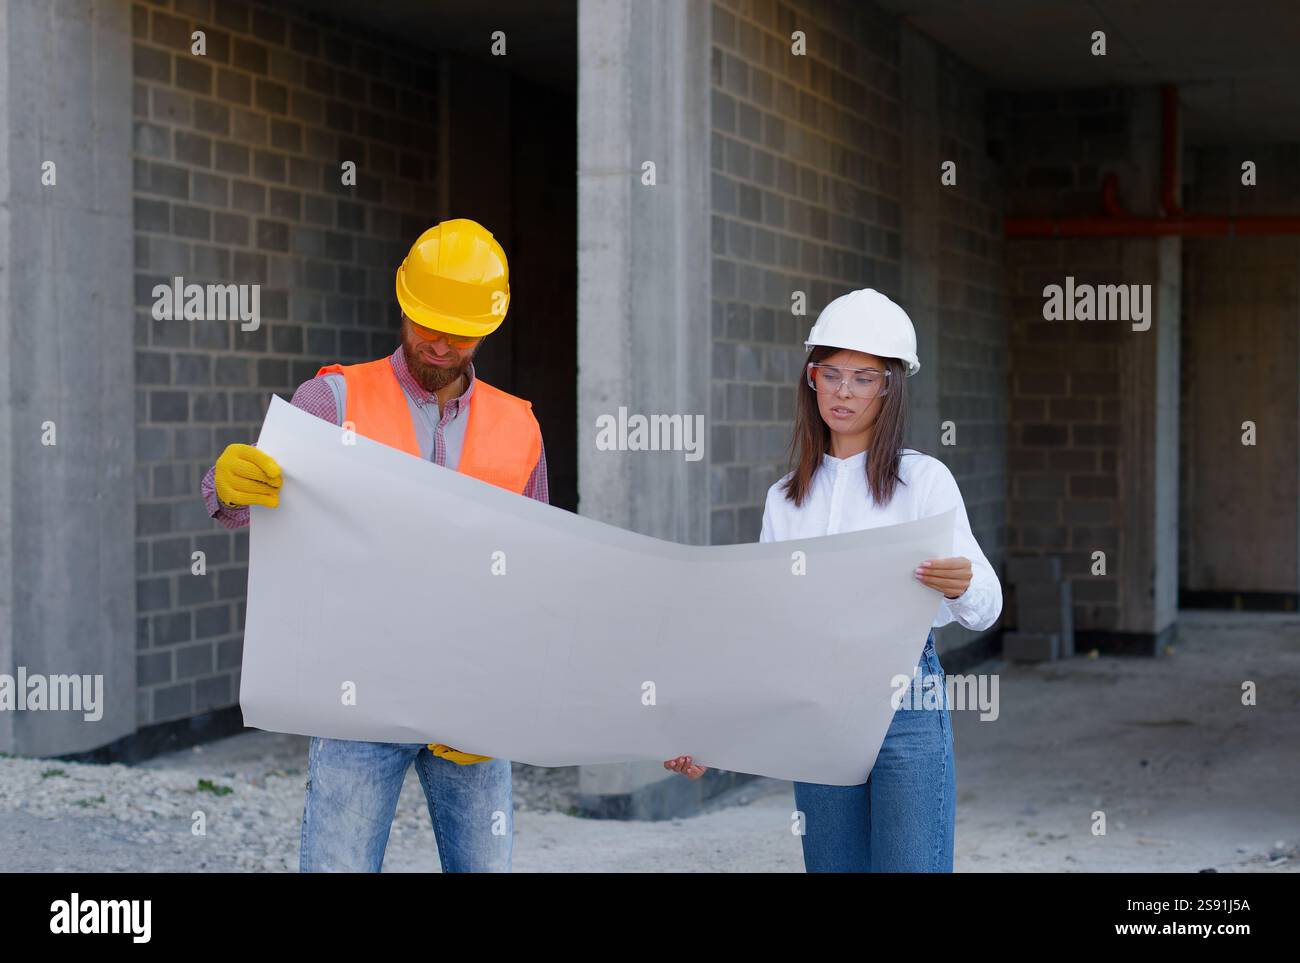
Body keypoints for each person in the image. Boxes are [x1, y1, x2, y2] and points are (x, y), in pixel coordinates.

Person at [200, 218, 548, 872]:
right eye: (427, 323)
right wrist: (225, 485)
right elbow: (254, 507)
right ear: (404, 302)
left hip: (470, 711)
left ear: (487, 326)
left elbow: (533, 572)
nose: (440, 343)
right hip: (357, 706)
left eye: (458, 330)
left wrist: (506, 707)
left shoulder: (519, 427)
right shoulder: (333, 400)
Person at [664, 288, 1001, 872]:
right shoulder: (785, 499)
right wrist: (709, 726)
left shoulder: (923, 481)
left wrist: (960, 582)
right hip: (818, 709)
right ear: (811, 379)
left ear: (890, 387)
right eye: (832, 374)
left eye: (864, 378)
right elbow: (767, 630)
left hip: (906, 703)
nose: (844, 392)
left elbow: (985, 608)